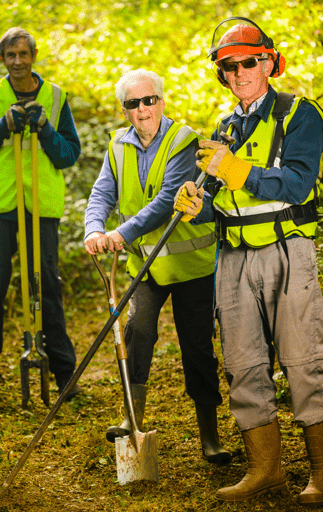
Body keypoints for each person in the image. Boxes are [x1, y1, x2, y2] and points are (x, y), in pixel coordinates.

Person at [174, 18, 323, 504]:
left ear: (268, 61)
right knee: (244, 366)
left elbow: (297, 184)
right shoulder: (223, 129)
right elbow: (219, 201)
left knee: (302, 362)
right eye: (229, 66)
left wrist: (235, 168)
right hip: (234, 260)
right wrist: (195, 204)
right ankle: (265, 469)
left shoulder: (299, 114)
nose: (240, 71)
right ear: (222, 74)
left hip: (287, 253)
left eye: (249, 61)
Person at [84, 69, 231, 463]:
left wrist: (121, 233)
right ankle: (132, 418)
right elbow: (102, 192)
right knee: (137, 334)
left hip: (190, 266)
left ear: (161, 102)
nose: (143, 109)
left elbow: (168, 200)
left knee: (197, 347)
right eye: (133, 103)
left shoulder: (182, 140)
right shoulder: (118, 144)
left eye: (150, 100)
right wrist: (94, 228)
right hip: (144, 267)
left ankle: (209, 435)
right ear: (124, 110)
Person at [0, 27, 81, 399]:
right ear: (1, 58)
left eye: (23, 54)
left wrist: (45, 129)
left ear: (33, 56)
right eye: (10, 55)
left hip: (40, 208)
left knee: (47, 288)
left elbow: (68, 155)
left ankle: (64, 372)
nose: (17, 61)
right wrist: (2, 127)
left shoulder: (56, 96)